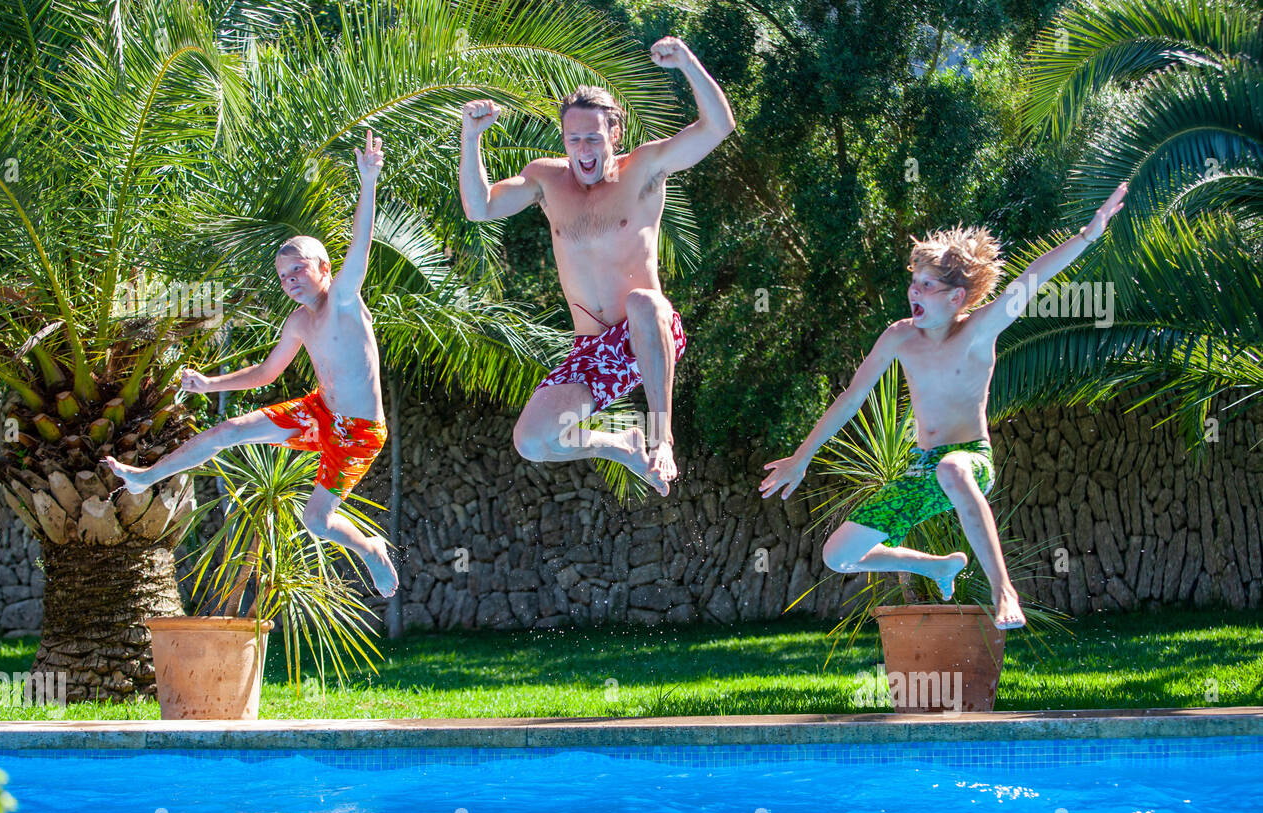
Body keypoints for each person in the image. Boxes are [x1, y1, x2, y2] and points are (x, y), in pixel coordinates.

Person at [759, 184, 1129, 629]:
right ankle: (936, 566)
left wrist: (1088, 235)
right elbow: (852, 397)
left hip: (970, 460)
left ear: (956, 297)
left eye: (927, 285)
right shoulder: (899, 337)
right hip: (920, 470)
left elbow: (1032, 279)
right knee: (838, 556)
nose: (914, 291)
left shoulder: (977, 330)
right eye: (913, 283)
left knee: (951, 470)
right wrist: (803, 458)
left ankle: (1002, 589)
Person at [104, 130, 398, 597]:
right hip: (321, 412)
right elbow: (266, 374)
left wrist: (368, 181)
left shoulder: (342, 299)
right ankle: (146, 476)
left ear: (324, 268)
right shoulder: (299, 323)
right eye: (283, 277)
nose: (290, 281)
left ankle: (369, 550)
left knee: (316, 520)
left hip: (359, 430)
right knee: (229, 431)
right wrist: (208, 383)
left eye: (298, 269)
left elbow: (360, 248)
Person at [459, 36, 735, 496]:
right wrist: (471, 138)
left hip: (648, 331)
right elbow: (480, 207)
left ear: (615, 135)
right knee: (532, 441)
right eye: (573, 139)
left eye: (592, 137)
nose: (582, 149)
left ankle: (660, 437)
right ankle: (622, 447)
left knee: (645, 301)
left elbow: (717, 126)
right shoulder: (546, 179)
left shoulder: (644, 169)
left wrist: (686, 62)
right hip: (591, 349)